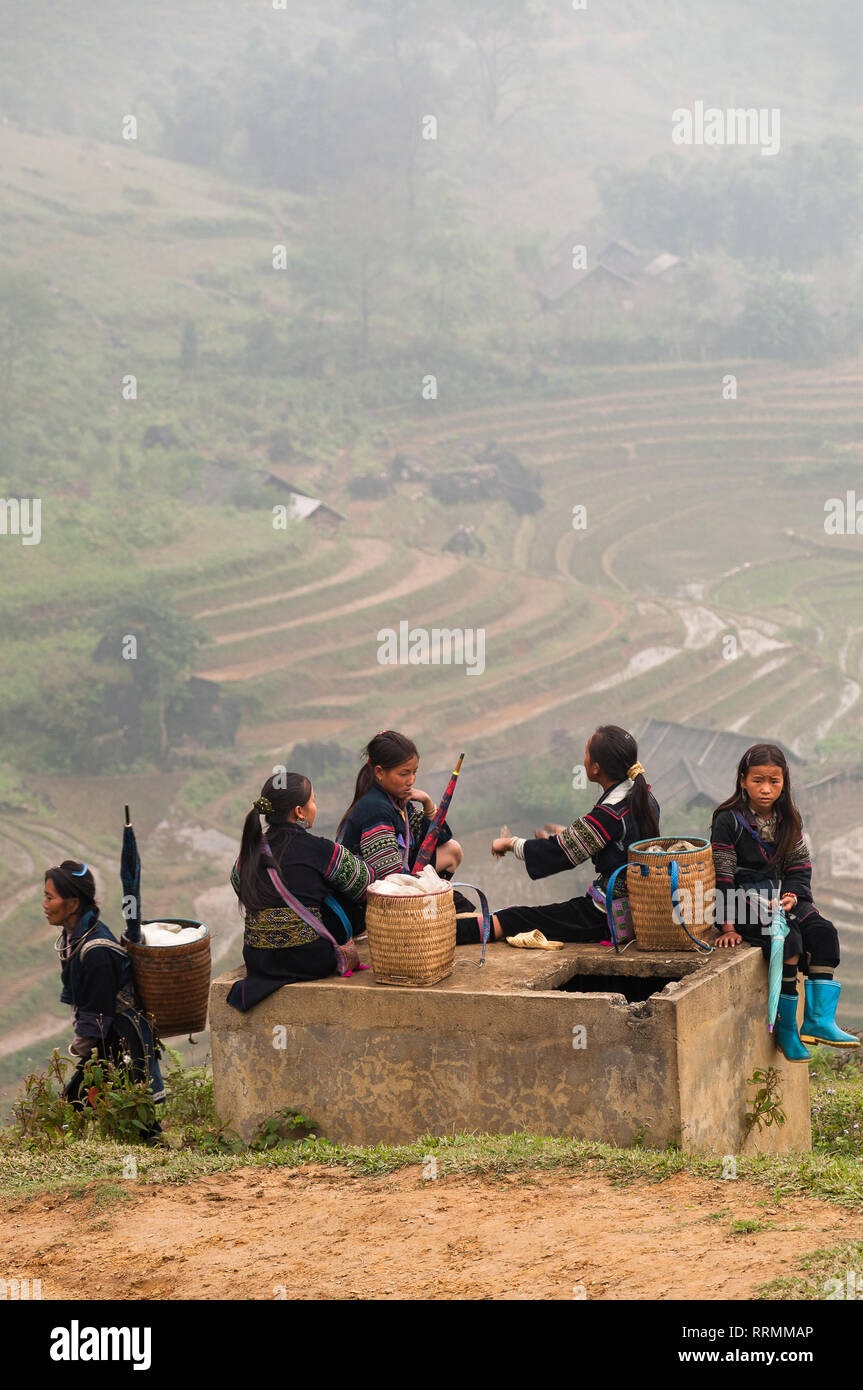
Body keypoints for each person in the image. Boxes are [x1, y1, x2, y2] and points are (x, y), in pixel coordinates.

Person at [711, 742, 858, 1060]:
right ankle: (786, 1030)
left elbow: (799, 869)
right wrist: (727, 925)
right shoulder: (728, 820)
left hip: (779, 895)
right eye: (757, 781)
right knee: (788, 941)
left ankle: (818, 1021)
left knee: (823, 932)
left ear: (784, 782)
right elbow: (722, 875)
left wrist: (792, 897)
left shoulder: (788, 818)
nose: (766, 789)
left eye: (773, 782)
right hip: (740, 896)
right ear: (743, 780)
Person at [489, 725, 660, 943]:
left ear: (596, 768)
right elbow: (616, 845)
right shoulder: (644, 796)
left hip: (606, 916)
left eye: (587, 754)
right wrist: (570, 836)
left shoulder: (609, 813)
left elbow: (558, 852)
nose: (584, 759)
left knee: (511, 918)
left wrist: (509, 843)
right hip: (639, 907)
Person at [228, 771, 372, 1011]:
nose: (315, 806)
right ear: (299, 812)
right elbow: (365, 884)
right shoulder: (319, 849)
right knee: (343, 893)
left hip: (258, 959)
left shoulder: (247, 855)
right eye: (313, 801)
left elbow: (239, 885)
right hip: (312, 959)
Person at [45, 860, 165, 1127]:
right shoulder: (75, 939)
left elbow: (97, 1016)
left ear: (73, 904)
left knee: (83, 1111)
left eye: (49, 897)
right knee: (124, 1117)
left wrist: (79, 1047)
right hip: (108, 1042)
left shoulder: (96, 951)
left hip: (121, 1041)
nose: (44, 904)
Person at [337, 730, 480, 943]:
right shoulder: (376, 809)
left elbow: (440, 839)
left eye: (414, 772)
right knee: (455, 909)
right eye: (404, 774)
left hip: (399, 880)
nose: (411, 780)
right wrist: (433, 892)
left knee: (452, 850)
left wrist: (428, 804)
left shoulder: (399, 803)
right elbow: (391, 875)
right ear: (379, 772)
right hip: (372, 903)